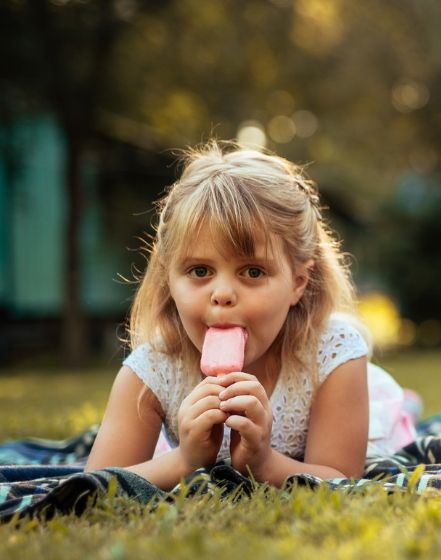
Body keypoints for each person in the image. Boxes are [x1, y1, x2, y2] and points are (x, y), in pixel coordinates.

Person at [86, 142, 416, 490]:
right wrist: (184, 460)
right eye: (200, 270)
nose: (223, 293)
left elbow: (341, 477)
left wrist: (265, 463)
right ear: (169, 278)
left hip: (349, 401)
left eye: (253, 272)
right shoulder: (151, 371)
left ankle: (401, 403)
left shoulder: (332, 356)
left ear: (298, 282)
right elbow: (97, 485)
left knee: (388, 418)